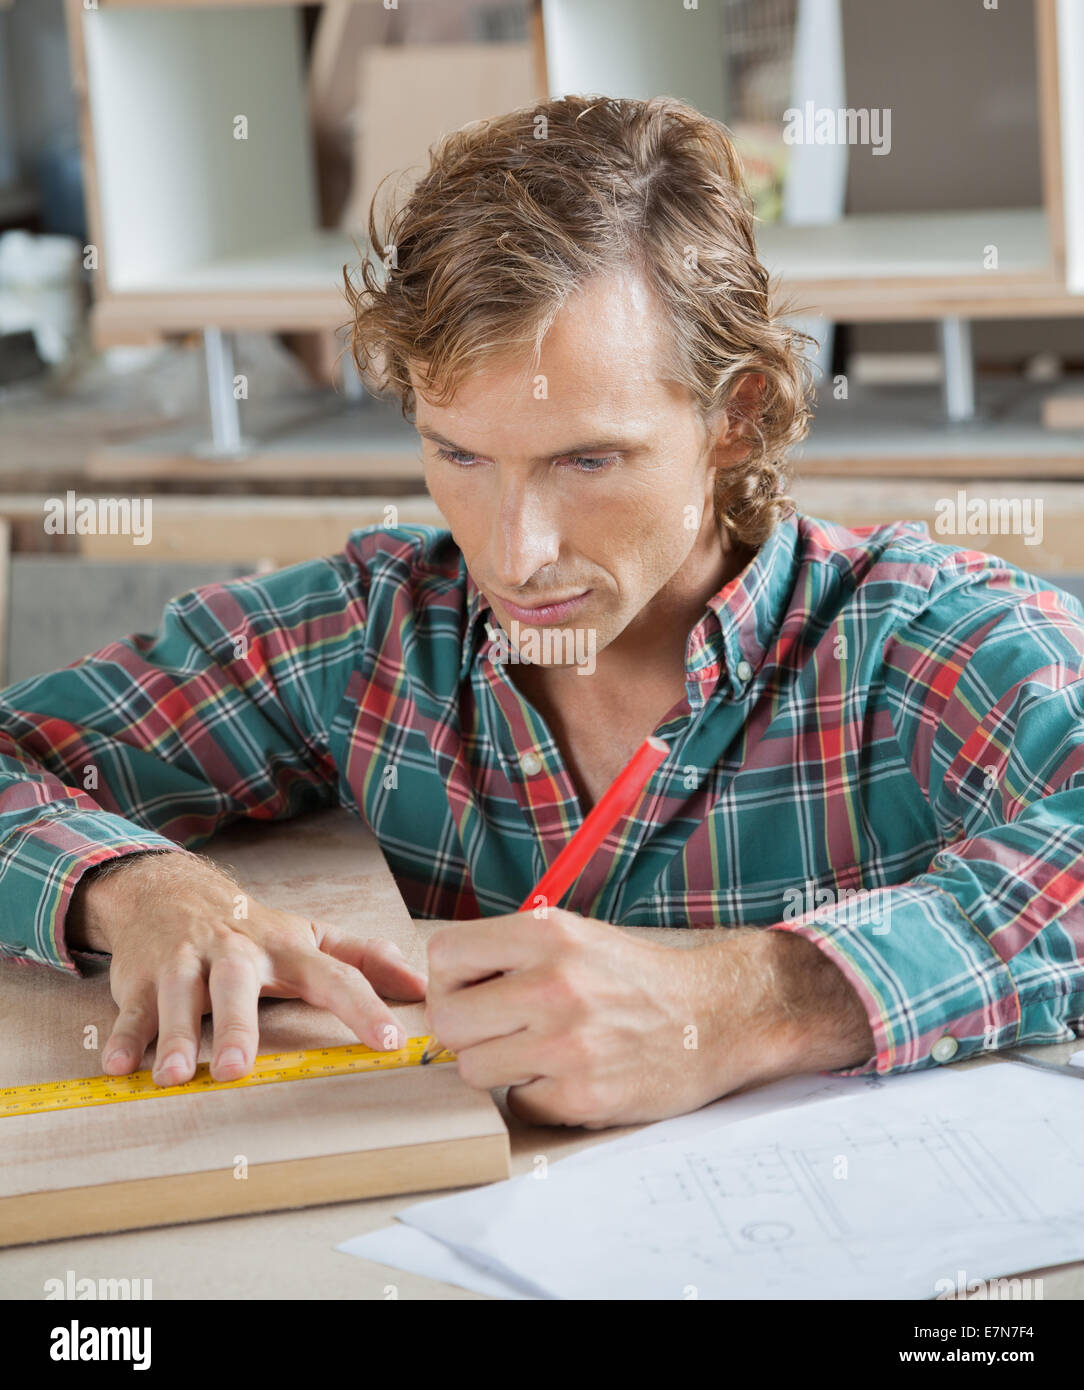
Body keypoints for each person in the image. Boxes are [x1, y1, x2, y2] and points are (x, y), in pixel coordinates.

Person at [2, 96, 1081, 1129]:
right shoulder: (367, 636)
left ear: (735, 414)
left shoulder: (917, 641)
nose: (515, 555)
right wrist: (132, 888)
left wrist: (754, 1001)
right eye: (459, 455)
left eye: (588, 458)